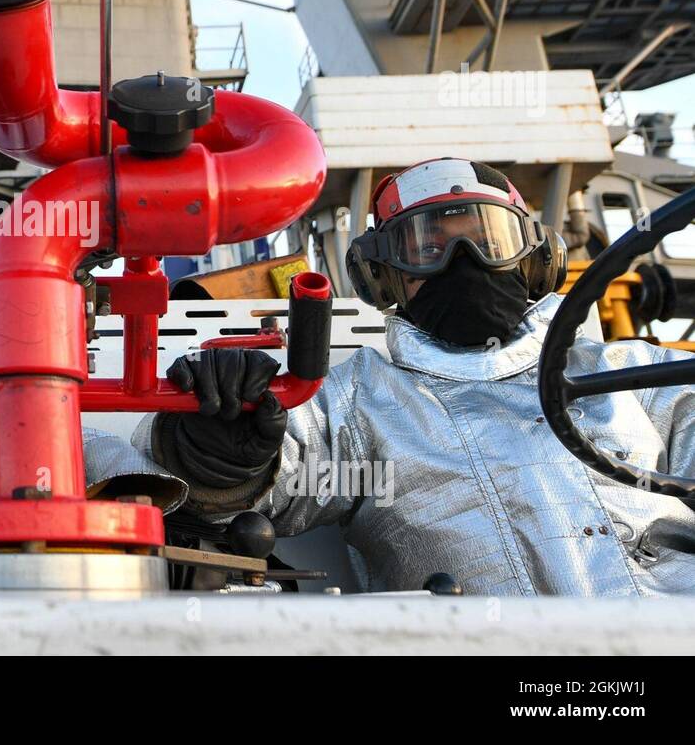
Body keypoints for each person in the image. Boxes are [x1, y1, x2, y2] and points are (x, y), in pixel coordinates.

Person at [144, 157, 695, 596]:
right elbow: (252, 490)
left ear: (536, 259)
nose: (464, 261)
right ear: (383, 277)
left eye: (489, 242)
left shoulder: (634, 376)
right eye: (428, 248)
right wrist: (217, 445)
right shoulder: (353, 404)